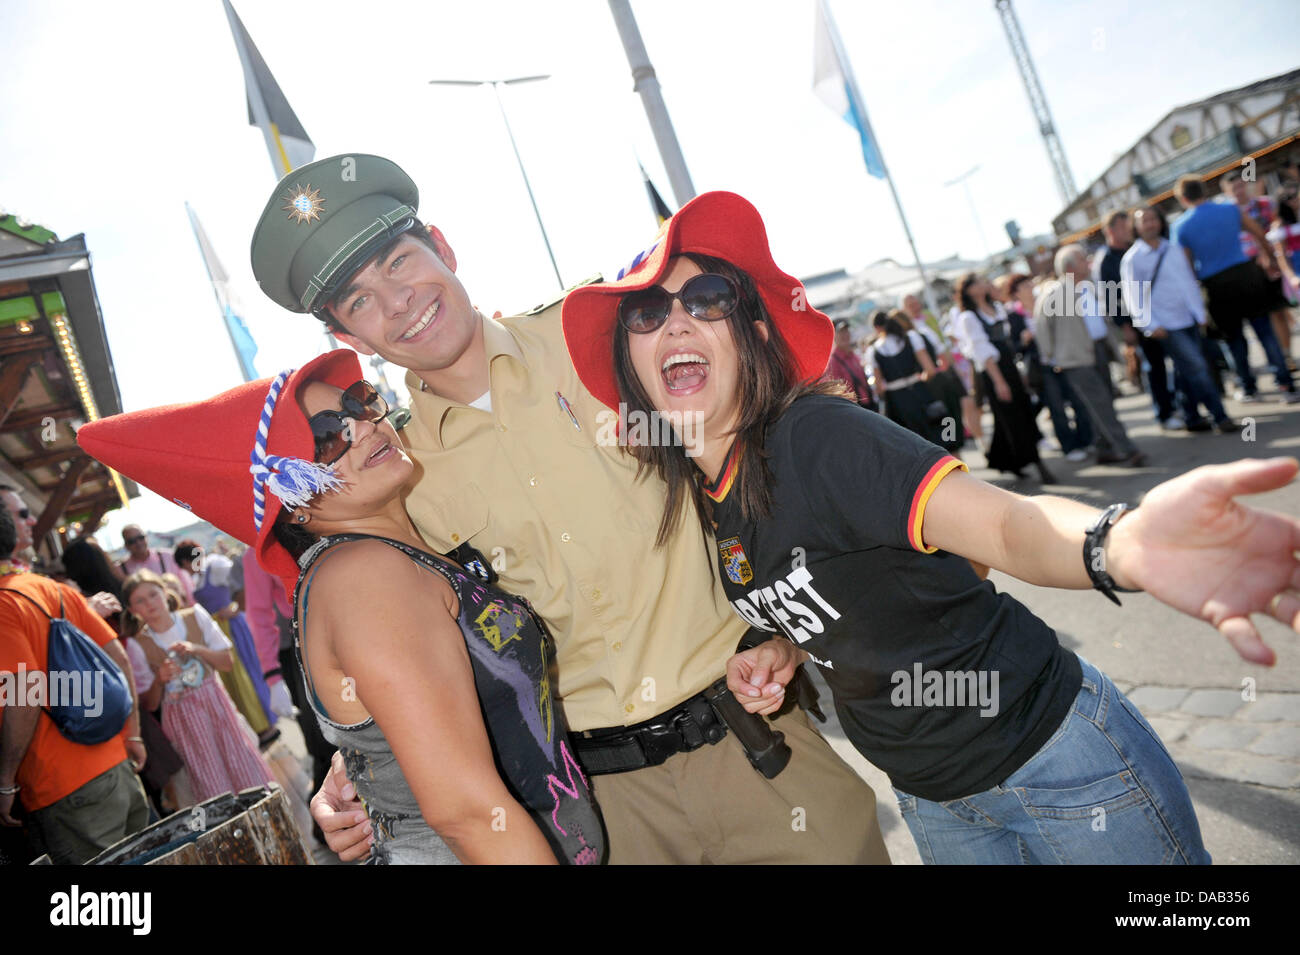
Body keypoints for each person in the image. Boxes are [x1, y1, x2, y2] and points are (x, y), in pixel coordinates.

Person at [563, 189, 1300, 864]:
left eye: (707, 296)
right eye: (647, 313)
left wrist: (1119, 543)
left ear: (754, 331)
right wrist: (781, 644)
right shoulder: (701, 489)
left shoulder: (817, 436)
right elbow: (841, 574)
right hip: (935, 802)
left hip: (1056, 763)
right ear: (631, 359)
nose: (677, 319)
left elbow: (1008, 528)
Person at [247, 154, 889, 864]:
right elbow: (390, 649)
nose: (397, 301)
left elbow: (763, 470)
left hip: (758, 746)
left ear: (443, 246)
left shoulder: (608, 332)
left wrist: (790, 630)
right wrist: (363, 776)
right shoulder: (392, 479)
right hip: (601, 815)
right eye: (361, 300)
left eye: (399, 262)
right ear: (348, 338)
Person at [80, 351, 605, 865]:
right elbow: (468, 812)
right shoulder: (365, 576)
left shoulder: (384, 554)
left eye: (360, 403)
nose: (362, 427)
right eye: (327, 437)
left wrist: (357, 768)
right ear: (293, 502)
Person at [0, 492, 151, 864]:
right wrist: (131, 734)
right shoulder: (50, 587)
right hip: (117, 767)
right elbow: (119, 660)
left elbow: (25, 694)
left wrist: (4, 781)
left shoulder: (4, 605)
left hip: (65, 790)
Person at [117, 569, 278, 804]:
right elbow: (150, 704)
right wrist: (159, 679)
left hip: (217, 706)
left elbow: (226, 662)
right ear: (132, 611)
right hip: (184, 723)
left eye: (153, 594)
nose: (149, 604)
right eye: (140, 601)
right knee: (208, 780)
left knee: (242, 763)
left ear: (164, 592)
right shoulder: (138, 645)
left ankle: (265, 812)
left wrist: (197, 649)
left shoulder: (194, 616)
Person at [1172, 175, 1298, 403]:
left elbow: (1186, 266)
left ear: (1183, 198)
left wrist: (1195, 297)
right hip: (1247, 275)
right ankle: (1285, 384)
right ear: (1204, 190)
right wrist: (1270, 260)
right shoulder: (1229, 209)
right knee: (1265, 333)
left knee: (1233, 341)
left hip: (1214, 286)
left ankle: (1248, 388)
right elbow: (1259, 233)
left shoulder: (1180, 226)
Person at [1121, 204, 1240, 435]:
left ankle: (1192, 417)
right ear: (1136, 226)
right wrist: (1150, 324)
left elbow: (1187, 281)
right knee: (1197, 367)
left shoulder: (1173, 248)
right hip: (1165, 324)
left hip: (1188, 318)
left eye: (1153, 218)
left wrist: (1199, 312)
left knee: (1186, 371)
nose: (1150, 224)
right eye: (1144, 220)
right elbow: (1132, 295)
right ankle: (1220, 416)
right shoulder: (1132, 259)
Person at [1038, 247, 1148, 467]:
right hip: (1075, 358)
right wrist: (1052, 356)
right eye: (1081, 259)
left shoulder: (1087, 288)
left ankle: (1104, 448)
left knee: (1102, 402)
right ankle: (1126, 449)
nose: (1087, 262)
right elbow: (1043, 328)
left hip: (1098, 351)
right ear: (1069, 267)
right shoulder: (1056, 293)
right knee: (1101, 404)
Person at [951, 273, 1056, 483]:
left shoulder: (996, 308)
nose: (985, 283)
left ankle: (1008, 460)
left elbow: (1007, 341)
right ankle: (1037, 463)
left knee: (1018, 414)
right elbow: (982, 351)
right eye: (979, 282)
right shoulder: (968, 317)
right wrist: (999, 381)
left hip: (1010, 366)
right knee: (1012, 417)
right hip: (994, 371)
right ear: (970, 290)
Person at [174, 539, 276, 743]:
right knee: (236, 678)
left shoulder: (216, 565)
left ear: (186, 562)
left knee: (247, 672)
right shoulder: (201, 576)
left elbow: (246, 581)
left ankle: (265, 722)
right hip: (218, 630)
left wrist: (235, 607)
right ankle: (258, 723)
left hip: (233, 627)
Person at [1093, 211, 1181, 428]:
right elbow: (1112, 297)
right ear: (1110, 231)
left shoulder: (1136, 249)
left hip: (1161, 313)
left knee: (1176, 360)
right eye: (1123, 227)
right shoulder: (1106, 260)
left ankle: (1178, 404)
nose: (1128, 231)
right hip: (1137, 321)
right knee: (1154, 365)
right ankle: (1164, 412)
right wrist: (1125, 325)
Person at [1223, 168, 1294, 372]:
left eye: (1240, 185)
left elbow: (1277, 227)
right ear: (1227, 192)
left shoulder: (1264, 203)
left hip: (1271, 262)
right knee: (1264, 317)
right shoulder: (1227, 214)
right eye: (1233, 187)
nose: (1238, 190)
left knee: (1279, 311)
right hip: (1246, 269)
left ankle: (1286, 355)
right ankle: (1279, 358)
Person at [863, 310, 948, 450]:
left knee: (912, 445)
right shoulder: (911, 337)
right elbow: (930, 370)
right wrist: (919, 379)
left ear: (876, 328)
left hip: (897, 400)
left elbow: (879, 387)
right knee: (939, 437)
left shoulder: (873, 350)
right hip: (920, 392)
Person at [118, 524, 195, 606]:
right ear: (126, 545)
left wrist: (192, 608)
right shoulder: (120, 569)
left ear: (146, 537)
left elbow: (186, 584)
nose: (138, 543)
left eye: (141, 538)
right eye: (132, 541)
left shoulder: (168, 556)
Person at [825, 318, 876, 411]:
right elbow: (836, 394)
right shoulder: (833, 362)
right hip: (853, 410)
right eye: (841, 332)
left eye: (846, 331)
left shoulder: (854, 356)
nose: (845, 335)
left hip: (868, 406)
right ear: (833, 335)